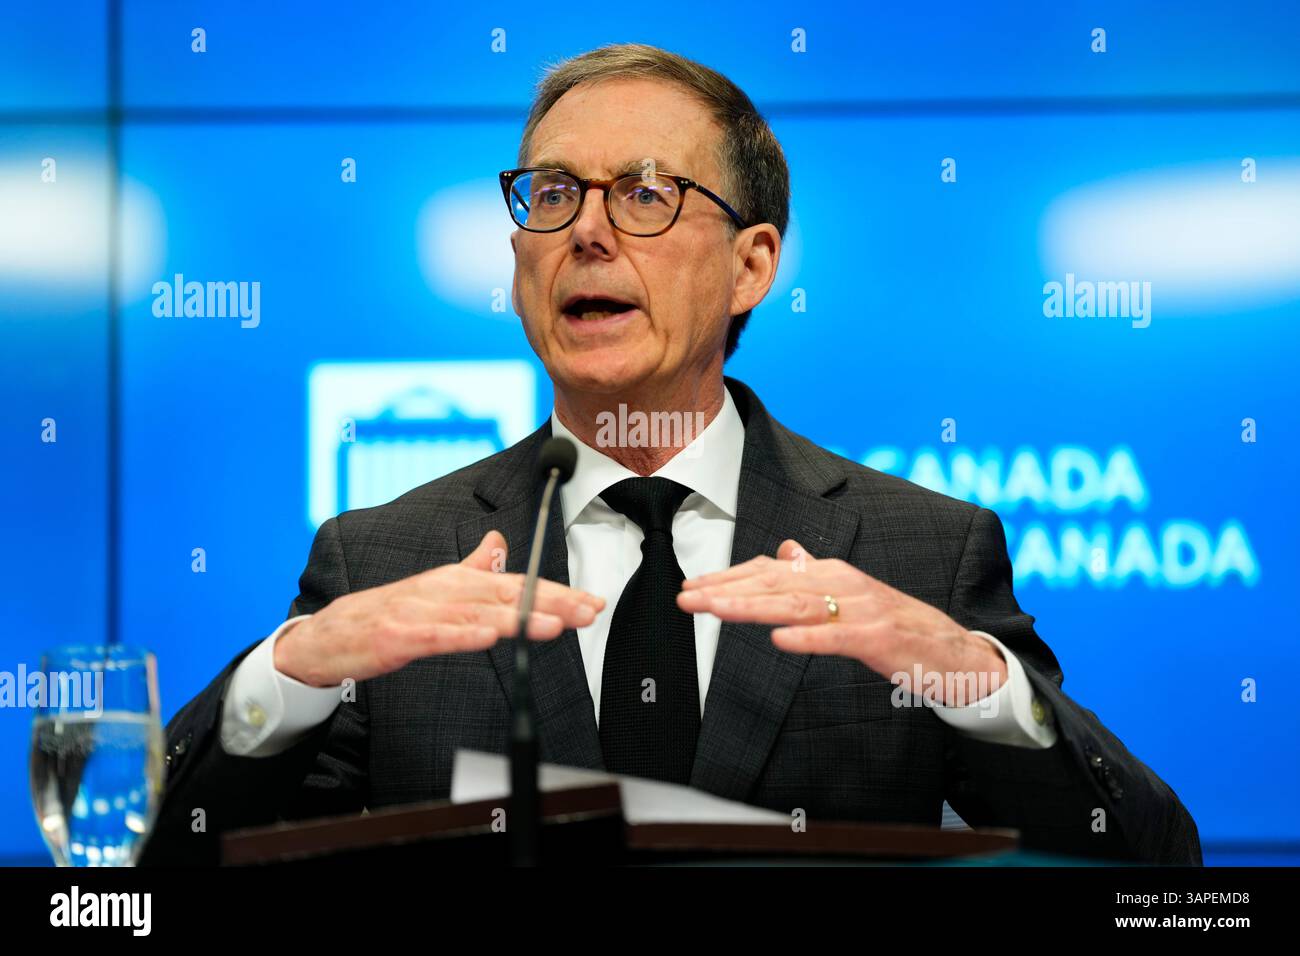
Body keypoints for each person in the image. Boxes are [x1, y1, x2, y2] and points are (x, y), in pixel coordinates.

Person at [139, 43, 1200, 866]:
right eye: (551, 193)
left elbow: (1151, 865)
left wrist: (967, 674)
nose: (585, 232)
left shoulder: (915, 551)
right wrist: (282, 677)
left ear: (751, 263)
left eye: (644, 194)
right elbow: (149, 878)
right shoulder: (386, 556)